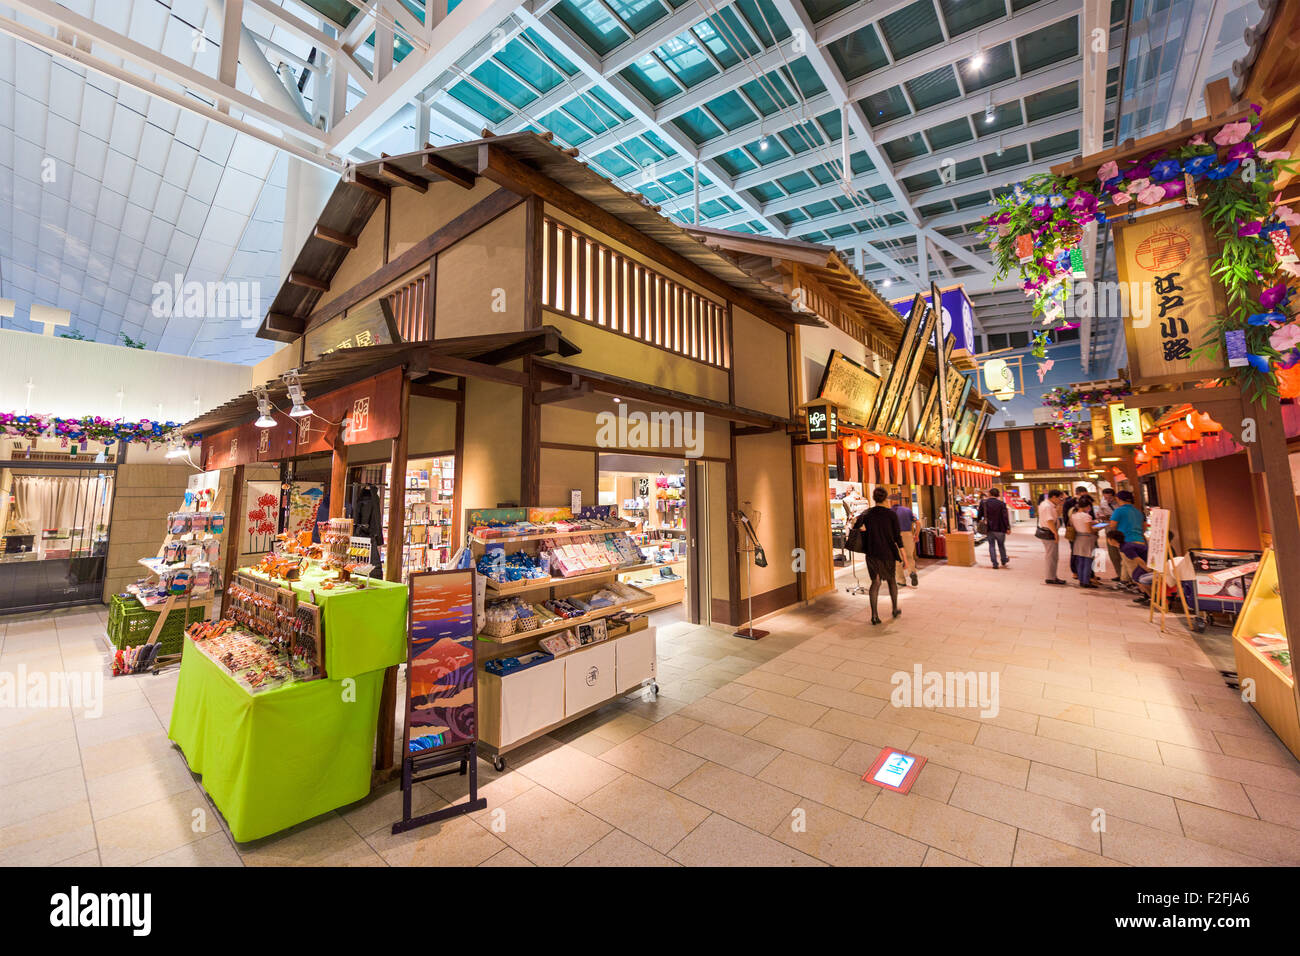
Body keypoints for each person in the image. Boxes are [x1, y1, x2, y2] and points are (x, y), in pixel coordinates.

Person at [851, 486, 904, 625]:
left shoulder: (866, 514)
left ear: (874, 499)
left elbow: (854, 526)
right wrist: (903, 555)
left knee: (875, 582)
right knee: (892, 580)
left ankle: (874, 616)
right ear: (886, 498)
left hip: (872, 552)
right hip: (888, 553)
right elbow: (897, 537)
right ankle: (894, 609)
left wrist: (863, 530)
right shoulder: (891, 515)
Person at [1106, 529, 1154, 603]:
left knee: (1138, 576)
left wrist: (1147, 569)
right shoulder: (1123, 546)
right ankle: (1146, 596)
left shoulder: (1126, 548)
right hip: (1148, 560)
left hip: (1150, 561)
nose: (1108, 541)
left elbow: (1139, 560)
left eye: (1108, 539)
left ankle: (1152, 598)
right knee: (1135, 575)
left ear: (1113, 540)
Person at [1070, 494, 1100, 588]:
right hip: (1087, 538)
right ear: (1088, 507)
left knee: (1080, 560)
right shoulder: (1086, 516)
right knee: (1088, 560)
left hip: (1078, 538)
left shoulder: (1073, 515)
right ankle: (1086, 581)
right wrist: (1098, 528)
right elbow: (1089, 530)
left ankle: (1081, 580)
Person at [1039, 489, 1067, 586]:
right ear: (1054, 497)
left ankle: (1052, 576)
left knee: (1052, 556)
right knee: (1052, 556)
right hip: (1049, 532)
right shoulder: (1047, 506)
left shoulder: (1049, 505)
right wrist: (1055, 533)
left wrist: (1060, 505)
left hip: (1049, 531)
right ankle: (1050, 577)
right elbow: (1049, 521)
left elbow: (1056, 515)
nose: (1061, 500)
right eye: (1060, 498)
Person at [891, 494, 919, 588]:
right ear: (899, 501)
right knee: (909, 556)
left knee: (898, 559)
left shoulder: (890, 512)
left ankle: (901, 580)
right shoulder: (907, 510)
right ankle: (912, 572)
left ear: (891, 501)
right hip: (908, 534)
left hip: (896, 536)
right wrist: (916, 535)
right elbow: (918, 523)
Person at [982, 487, 1011, 569]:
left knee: (991, 546)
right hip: (1000, 528)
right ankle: (1003, 560)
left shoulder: (984, 503)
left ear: (990, 494)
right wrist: (1008, 527)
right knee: (1001, 545)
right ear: (998, 494)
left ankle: (994, 563)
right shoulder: (1002, 504)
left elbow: (980, 514)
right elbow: (1005, 517)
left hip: (989, 528)